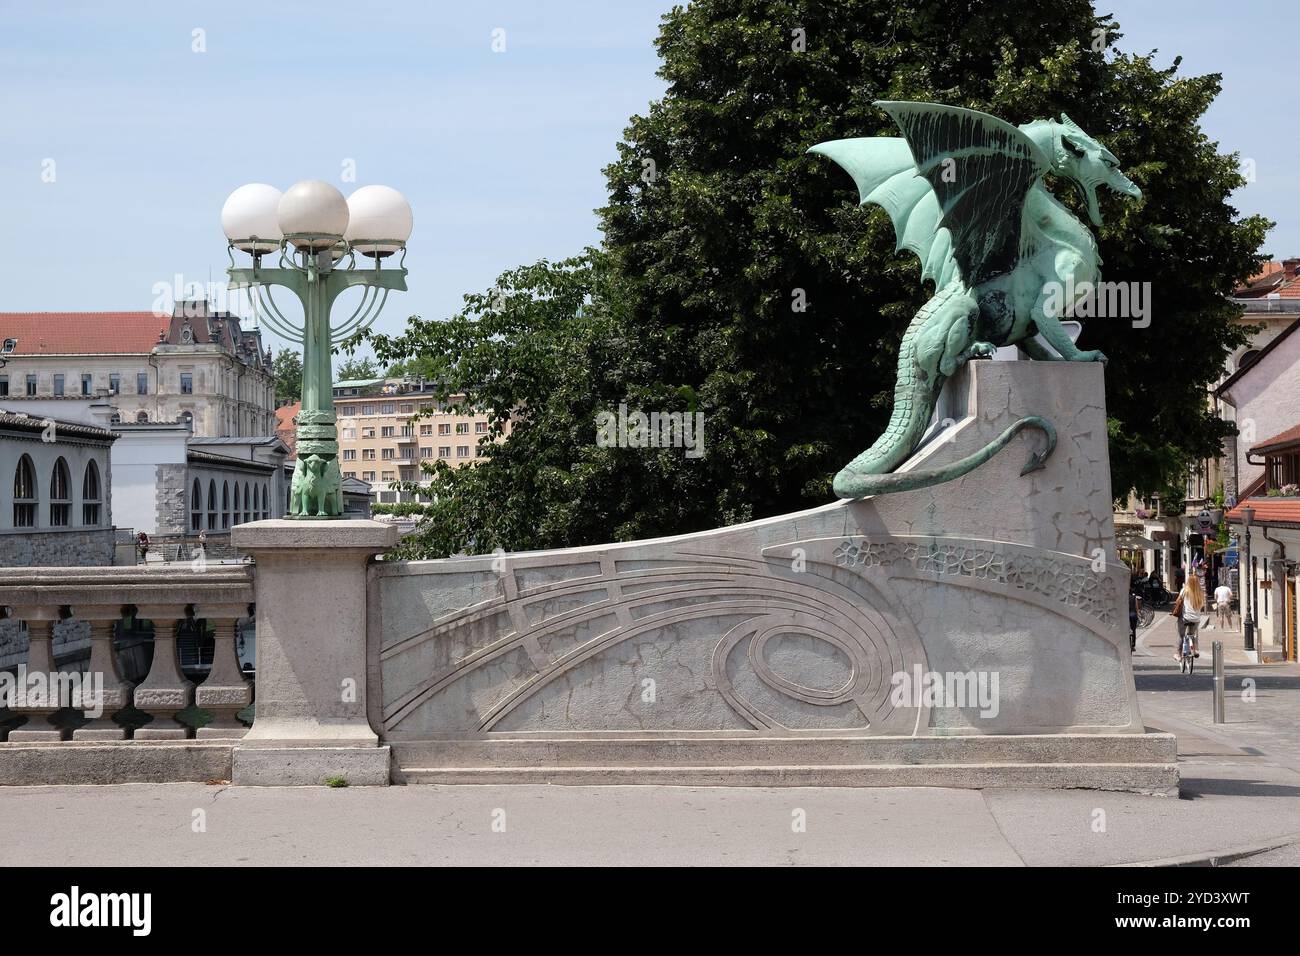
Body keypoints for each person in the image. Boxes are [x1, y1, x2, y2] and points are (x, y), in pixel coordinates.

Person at [1171, 576, 1206, 660]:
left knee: (1181, 636)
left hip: (1185, 618)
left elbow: (1177, 601)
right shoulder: (1200, 592)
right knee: (1192, 634)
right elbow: (1202, 605)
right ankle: (1195, 650)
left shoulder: (1185, 591)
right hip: (1196, 619)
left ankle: (1178, 654)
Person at [1128, 588, 1142, 652]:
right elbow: (1136, 608)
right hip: (1133, 615)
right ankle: (1133, 645)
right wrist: (1138, 614)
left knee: (1125, 630)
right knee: (1133, 630)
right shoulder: (1134, 597)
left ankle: (1126, 643)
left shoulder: (1123, 598)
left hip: (1126, 616)